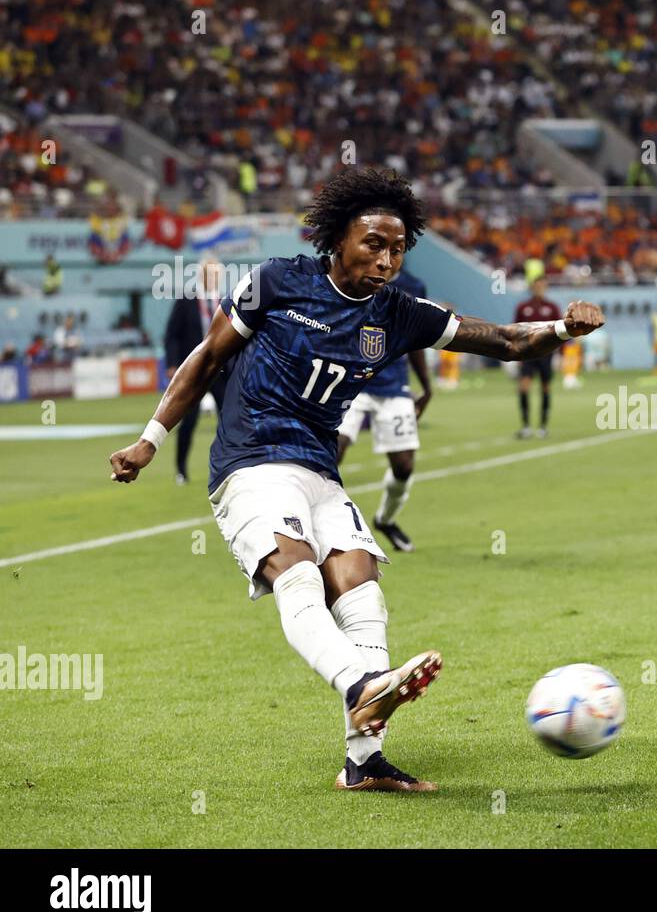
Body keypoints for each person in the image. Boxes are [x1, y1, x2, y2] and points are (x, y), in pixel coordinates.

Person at [109, 168, 604, 792]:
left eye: (398, 248)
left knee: (359, 584)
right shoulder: (277, 282)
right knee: (294, 568)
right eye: (374, 243)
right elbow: (207, 358)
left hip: (319, 467)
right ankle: (361, 684)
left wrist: (563, 330)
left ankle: (364, 760)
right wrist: (150, 440)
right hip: (251, 459)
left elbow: (505, 340)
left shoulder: (398, 314)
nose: (387, 259)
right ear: (338, 239)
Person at [336, 267, 434, 552]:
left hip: (393, 385)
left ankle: (385, 519)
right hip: (351, 383)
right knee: (334, 451)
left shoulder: (413, 285)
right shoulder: (349, 277)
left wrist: (426, 386)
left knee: (403, 466)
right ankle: (321, 525)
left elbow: (417, 338)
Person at [165, 257, 229, 484]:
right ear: (201, 275)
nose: (212, 278)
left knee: (230, 419)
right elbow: (171, 334)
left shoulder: (225, 301)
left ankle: (228, 467)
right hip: (193, 371)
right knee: (188, 422)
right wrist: (173, 364)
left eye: (216, 275)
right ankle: (181, 470)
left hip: (220, 371)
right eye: (208, 274)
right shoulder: (187, 301)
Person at [512, 277, 562, 438]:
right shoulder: (523, 307)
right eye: (536, 286)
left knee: (545, 388)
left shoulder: (552, 308)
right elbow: (514, 330)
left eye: (542, 286)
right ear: (532, 288)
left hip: (546, 355)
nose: (539, 289)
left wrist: (560, 355)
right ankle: (526, 426)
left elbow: (560, 332)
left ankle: (542, 426)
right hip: (527, 353)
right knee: (524, 387)